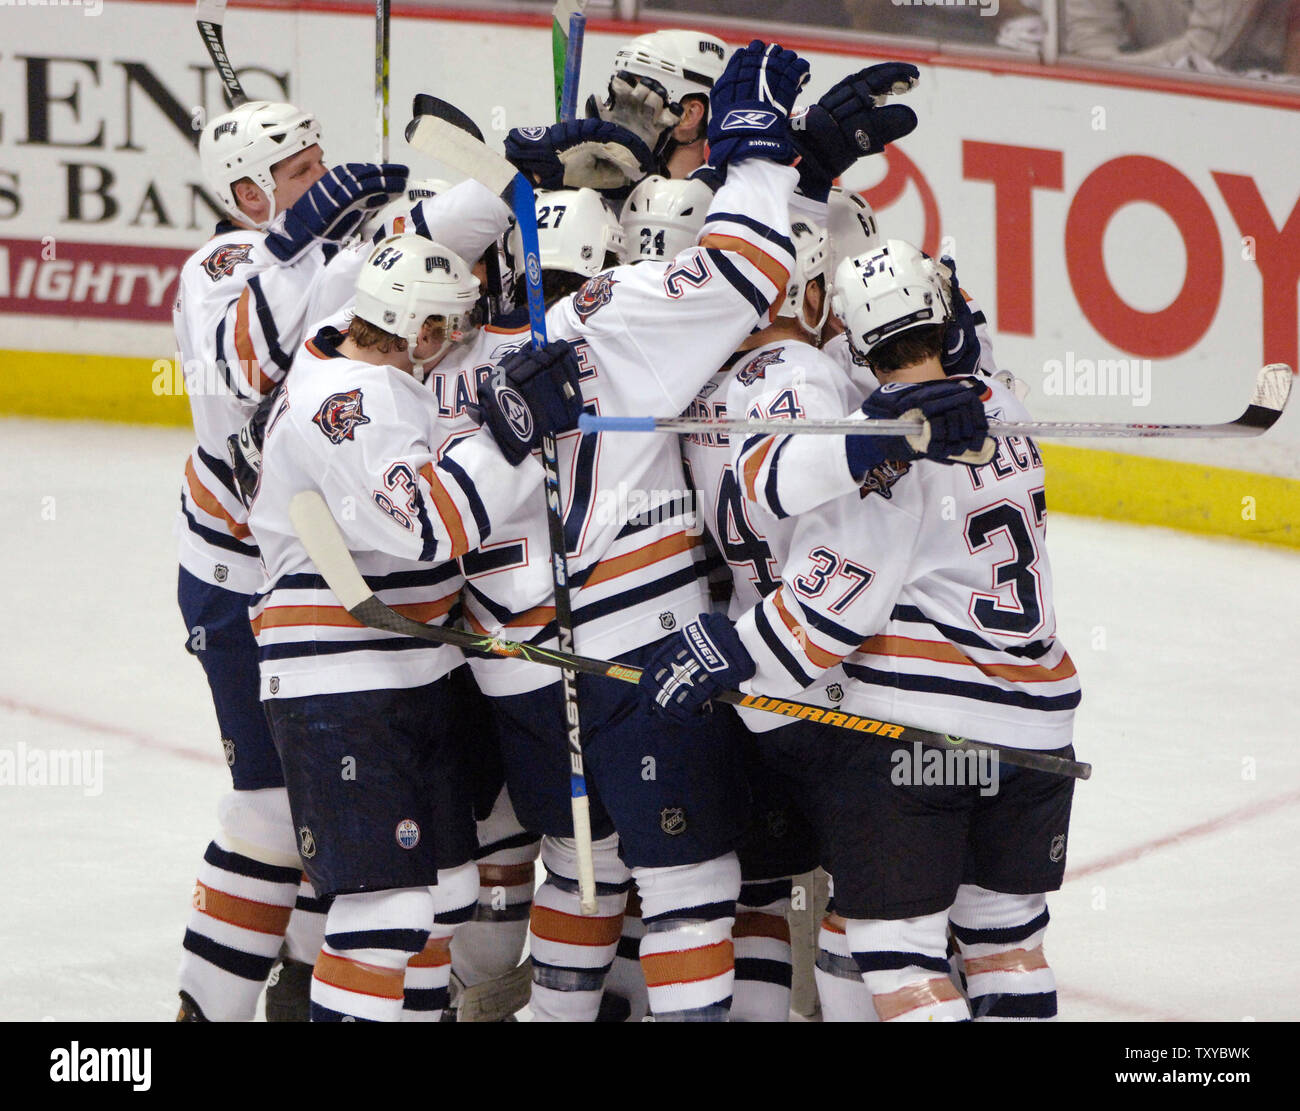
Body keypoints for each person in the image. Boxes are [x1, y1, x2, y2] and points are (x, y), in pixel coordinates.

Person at [640, 238, 1080, 1022]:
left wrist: (731, 650)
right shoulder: (1005, 403)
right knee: (1008, 943)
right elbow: (963, 348)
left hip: (924, 740)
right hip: (1040, 733)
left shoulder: (885, 465)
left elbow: (832, 608)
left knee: (900, 953)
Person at [245, 233, 583, 1020]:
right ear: (422, 331)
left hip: (408, 668)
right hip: (340, 680)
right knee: (385, 912)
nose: (456, 343)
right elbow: (430, 526)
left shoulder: (357, 360)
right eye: (451, 328)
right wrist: (514, 434)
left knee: (444, 893)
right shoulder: (352, 404)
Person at [174, 99, 407, 1021]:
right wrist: (297, 240)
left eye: (320, 166)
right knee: (271, 812)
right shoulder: (219, 267)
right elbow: (239, 366)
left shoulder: (337, 256)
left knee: (333, 809)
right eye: (300, 175)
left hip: (323, 582)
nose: (322, 185)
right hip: (235, 581)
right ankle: (205, 1006)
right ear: (246, 193)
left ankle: (303, 986)